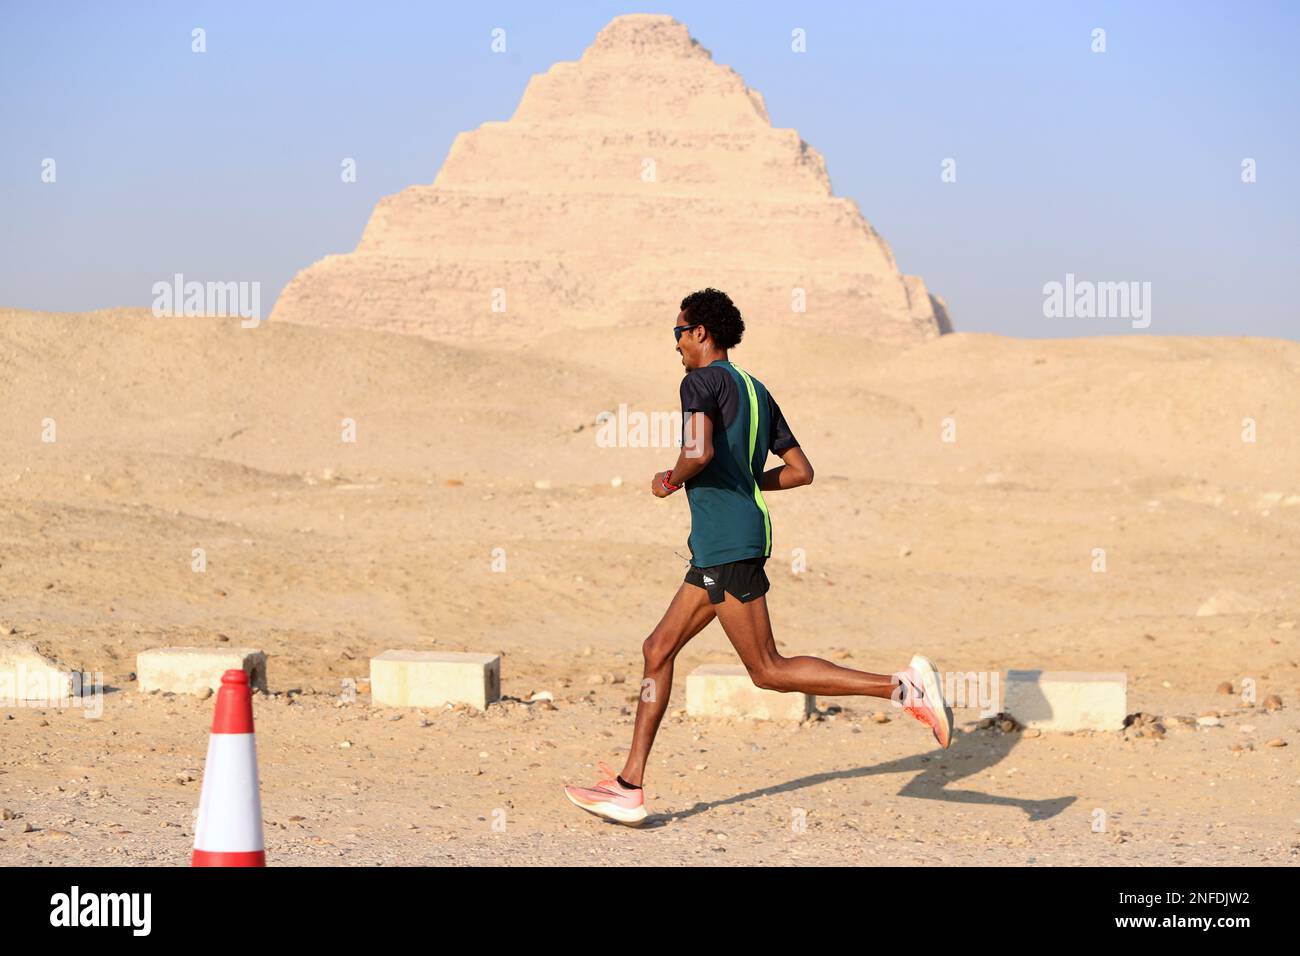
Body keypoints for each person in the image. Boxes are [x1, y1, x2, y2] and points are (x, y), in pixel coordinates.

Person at [564, 288, 953, 825]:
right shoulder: (756, 389)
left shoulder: (698, 381)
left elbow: (697, 453)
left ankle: (901, 686)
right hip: (725, 542)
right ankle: (629, 786)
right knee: (657, 648)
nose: (675, 345)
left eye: (678, 333)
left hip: (728, 543)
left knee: (767, 669)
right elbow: (800, 471)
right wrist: (747, 480)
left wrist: (669, 479)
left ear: (701, 332)